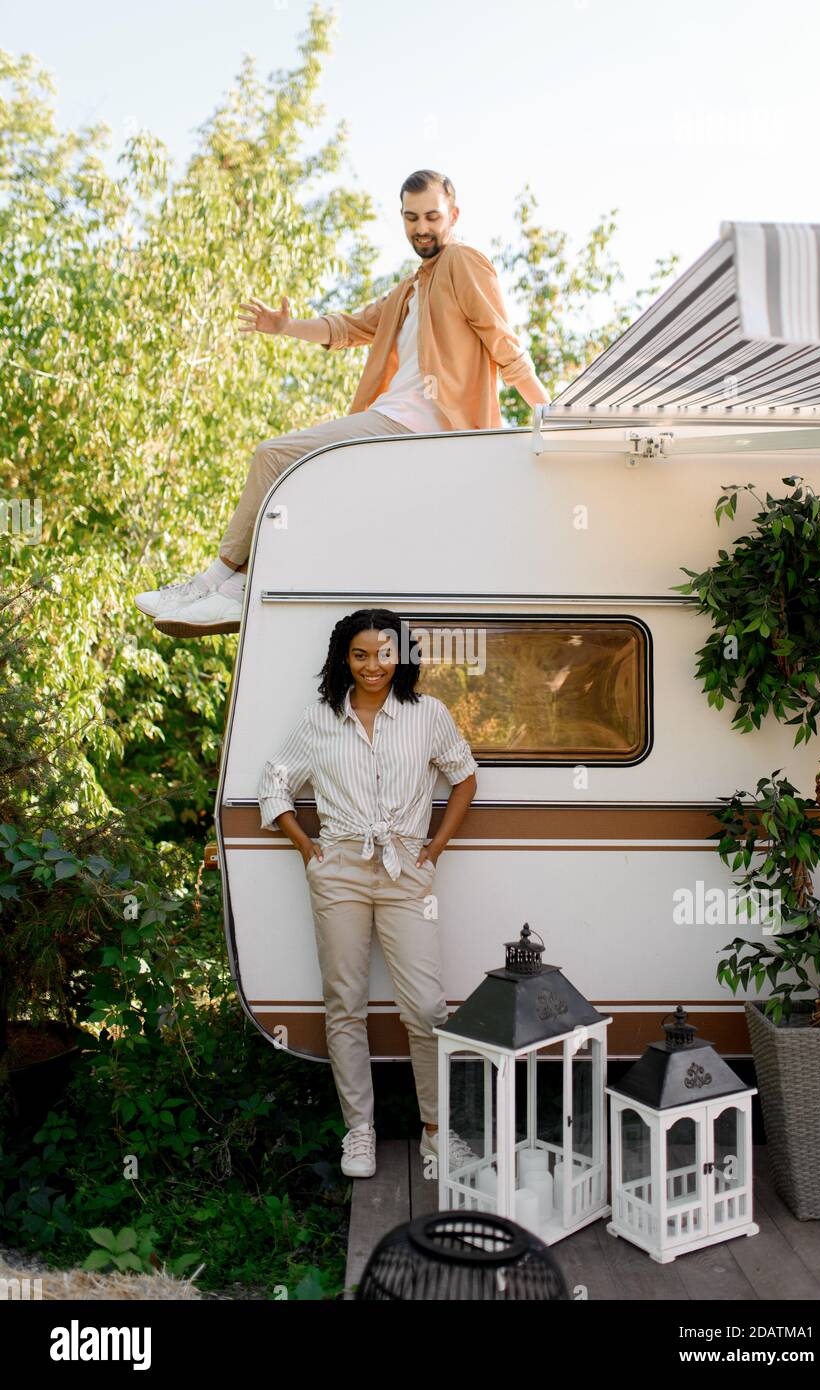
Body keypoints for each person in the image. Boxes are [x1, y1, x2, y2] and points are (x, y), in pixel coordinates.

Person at [134, 169, 550, 636]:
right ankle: (239, 591)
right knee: (307, 496)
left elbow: (503, 343)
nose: (422, 227)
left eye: (433, 216)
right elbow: (349, 328)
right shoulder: (409, 290)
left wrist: (549, 415)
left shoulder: (463, 262)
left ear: (453, 215)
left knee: (274, 455)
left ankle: (209, 582)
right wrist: (286, 327)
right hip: (394, 426)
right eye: (412, 218)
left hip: (418, 429)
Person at [257, 608, 479, 1178]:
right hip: (341, 871)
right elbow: (274, 780)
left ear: (399, 656)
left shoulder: (427, 714)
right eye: (360, 654)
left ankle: (436, 1132)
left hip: (408, 869)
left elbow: (465, 777)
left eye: (383, 652)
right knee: (345, 1003)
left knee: (426, 1006)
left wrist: (434, 850)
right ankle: (360, 1131)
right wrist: (308, 849)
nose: (373, 665)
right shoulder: (320, 719)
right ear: (344, 659)